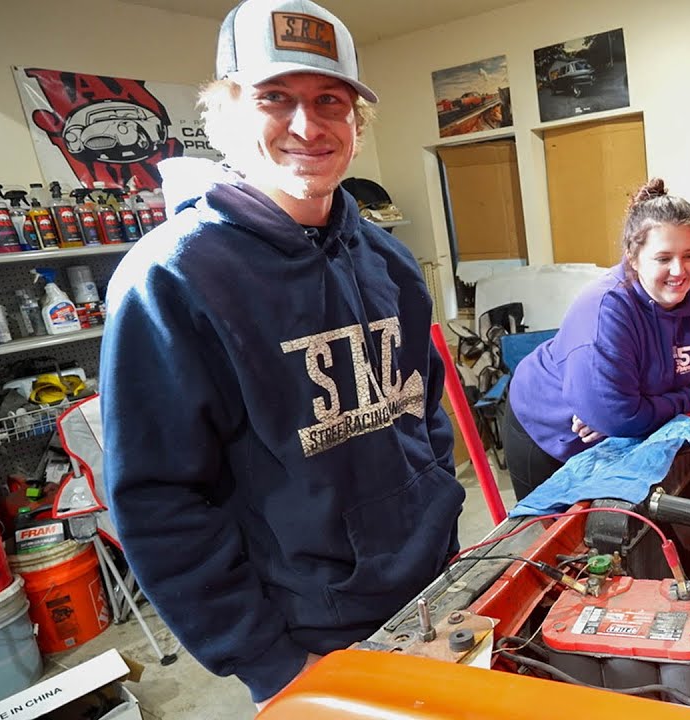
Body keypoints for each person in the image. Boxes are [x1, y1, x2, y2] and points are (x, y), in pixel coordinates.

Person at [99, 0, 463, 707]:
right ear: (226, 115)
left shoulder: (389, 261)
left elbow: (424, 414)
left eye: (330, 99)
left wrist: (442, 527)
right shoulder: (172, 280)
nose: (307, 125)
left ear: (357, 122)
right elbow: (161, 502)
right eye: (275, 98)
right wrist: (269, 663)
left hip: (433, 589)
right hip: (309, 637)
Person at [503, 178, 690, 501]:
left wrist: (625, 417)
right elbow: (635, 411)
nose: (679, 271)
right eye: (663, 258)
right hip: (550, 429)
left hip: (621, 434)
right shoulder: (605, 310)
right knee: (563, 545)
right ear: (633, 257)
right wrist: (678, 398)